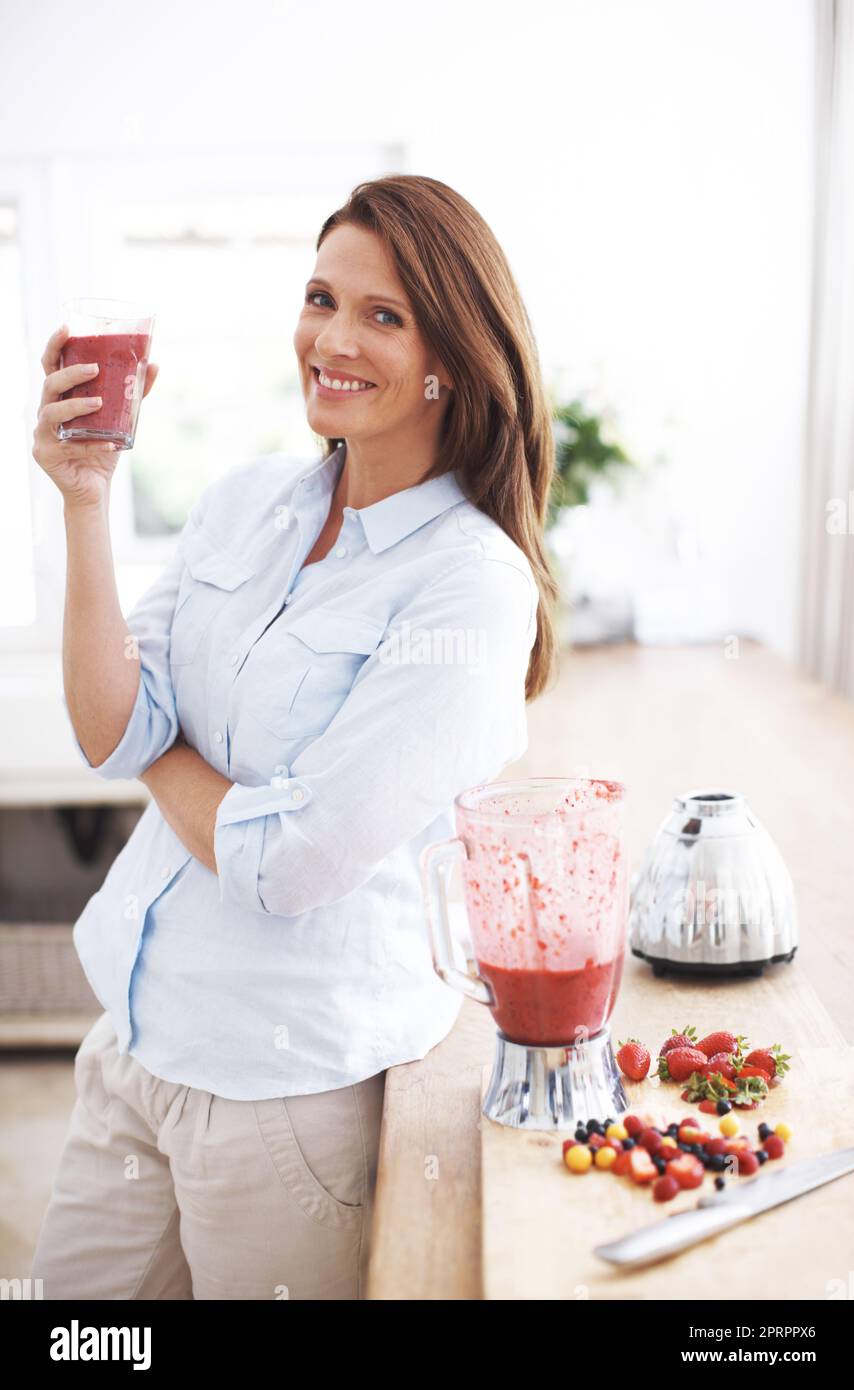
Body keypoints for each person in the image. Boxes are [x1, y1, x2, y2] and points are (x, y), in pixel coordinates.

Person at [28, 174, 559, 1300]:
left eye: (382, 315)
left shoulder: (467, 587)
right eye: (320, 298)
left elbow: (286, 863)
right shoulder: (247, 501)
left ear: (447, 360)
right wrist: (85, 496)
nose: (332, 336)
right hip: (133, 1034)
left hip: (281, 1094)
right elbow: (103, 720)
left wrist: (157, 749)